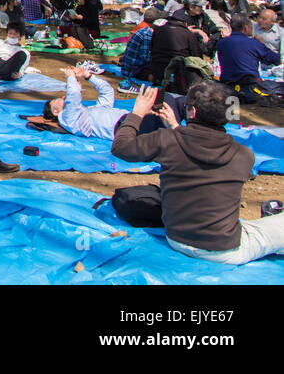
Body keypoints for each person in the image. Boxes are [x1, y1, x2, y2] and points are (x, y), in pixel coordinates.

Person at [110, 81, 284, 265]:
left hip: (176, 239)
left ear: (192, 111)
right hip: (224, 249)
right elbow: (204, 156)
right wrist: (177, 129)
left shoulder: (167, 141)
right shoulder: (243, 155)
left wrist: (137, 113)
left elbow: (121, 147)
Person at [45, 65, 183, 137]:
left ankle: (194, 126)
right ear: (56, 112)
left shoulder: (89, 112)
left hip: (135, 120)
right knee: (168, 99)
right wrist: (70, 77)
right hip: (129, 128)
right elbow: (73, 96)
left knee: (179, 102)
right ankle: (184, 137)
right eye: (56, 100)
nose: (62, 98)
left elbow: (107, 91)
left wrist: (87, 75)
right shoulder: (68, 119)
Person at [216, 13, 282, 91]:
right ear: (246, 28)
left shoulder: (221, 43)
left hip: (227, 85)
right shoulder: (253, 43)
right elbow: (276, 59)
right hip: (249, 86)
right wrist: (263, 44)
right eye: (251, 27)